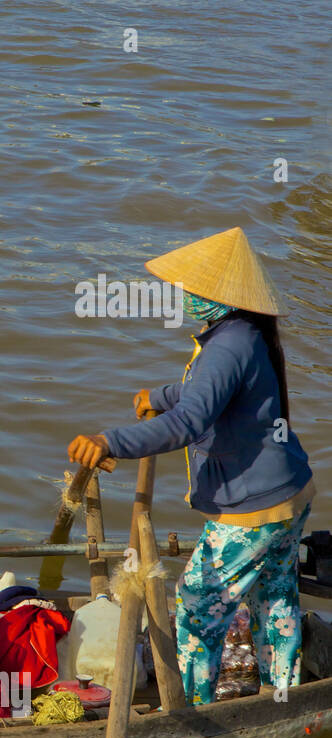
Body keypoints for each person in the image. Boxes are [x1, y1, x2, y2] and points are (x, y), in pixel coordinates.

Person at [67, 227, 315, 705]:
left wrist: (110, 440)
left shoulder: (226, 345)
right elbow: (206, 392)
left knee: (197, 606)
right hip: (288, 494)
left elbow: (189, 421)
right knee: (275, 601)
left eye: (192, 290)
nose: (184, 297)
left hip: (252, 511)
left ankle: (190, 709)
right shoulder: (243, 333)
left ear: (218, 296)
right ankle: (283, 698)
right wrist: (157, 396)